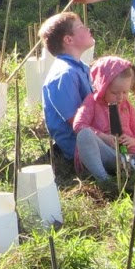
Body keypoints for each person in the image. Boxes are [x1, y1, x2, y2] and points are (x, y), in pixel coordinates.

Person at [71, 56, 135, 185]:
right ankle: (103, 178)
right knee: (84, 135)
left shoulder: (127, 106)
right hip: (103, 153)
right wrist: (103, 137)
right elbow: (79, 125)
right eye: (114, 92)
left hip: (125, 154)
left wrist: (133, 141)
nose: (120, 97)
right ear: (102, 86)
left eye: (125, 92)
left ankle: (127, 172)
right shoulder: (92, 102)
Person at [39, 11, 95, 173]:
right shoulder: (64, 74)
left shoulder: (80, 67)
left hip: (93, 136)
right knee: (128, 158)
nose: (87, 29)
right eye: (81, 27)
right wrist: (107, 138)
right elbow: (76, 121)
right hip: (78, 147)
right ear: (68, 40)